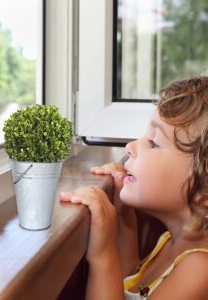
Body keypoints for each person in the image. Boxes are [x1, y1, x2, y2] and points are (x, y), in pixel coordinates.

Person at [59, 77, 208, 299]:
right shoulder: (169, 242)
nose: (130, 147)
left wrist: (102, 256)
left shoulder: (199, 270)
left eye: (154, 143)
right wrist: (122, 214)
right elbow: (129, 282)